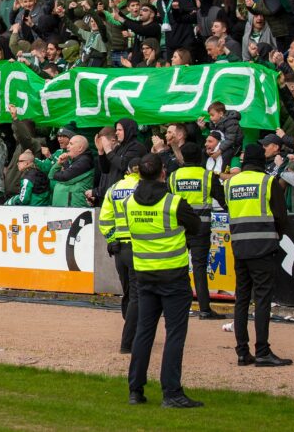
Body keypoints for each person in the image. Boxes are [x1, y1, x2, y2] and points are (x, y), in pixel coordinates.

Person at [126, 153, 203, 408]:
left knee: (144, 333)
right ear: (163, 174)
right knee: (174, 335)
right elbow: (196, 228)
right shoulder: (173, 202)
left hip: (145, 275)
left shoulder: (130, 203)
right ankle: (171, 393)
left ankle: (135, 390)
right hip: (173, 277)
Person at [225, 144, 293, 367]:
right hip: (263, 247)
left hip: (239, 248)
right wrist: (275, 236)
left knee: (241, 299)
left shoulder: (231, 183)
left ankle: (242, 352)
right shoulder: (267, 181)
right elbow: (281, 217)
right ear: (261, 161)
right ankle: (262, 351)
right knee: (262, 299)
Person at [168, 143, 227, 320]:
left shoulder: (173, 176)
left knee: (178, 267)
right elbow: (223, 201)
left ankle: (176, 307)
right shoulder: (207, 176)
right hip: (201, 227)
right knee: (199, 268)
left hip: (178, 227)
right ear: (200, 157)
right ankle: (204, 310)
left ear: (183, 157)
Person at [97, 157, 140, 354]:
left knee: (128, 291)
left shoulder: (114, 188)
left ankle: (130, 327)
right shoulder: (144, 187)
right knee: (137, 295)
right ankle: (130, 336)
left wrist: (113, 239)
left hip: (119, 249)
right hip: (138, 247)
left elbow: (105, 219)